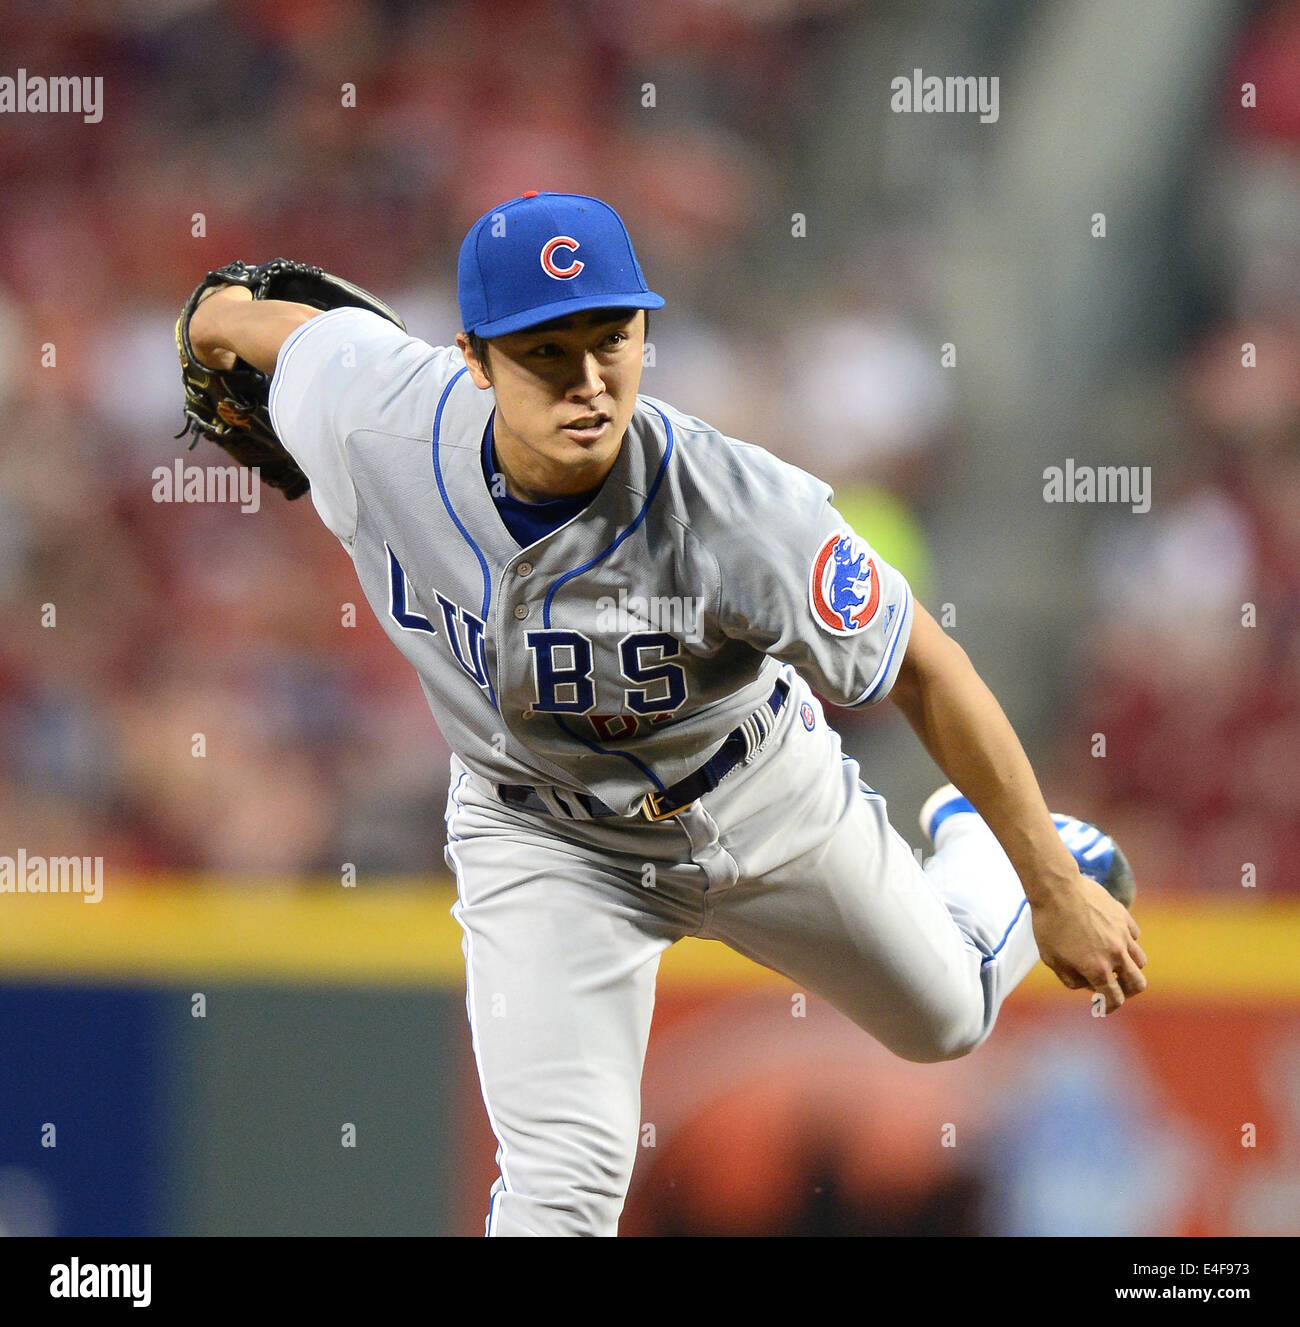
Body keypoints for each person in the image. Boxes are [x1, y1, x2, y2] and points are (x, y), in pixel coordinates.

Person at [185, 191, 1146, 1237]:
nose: (590, 380)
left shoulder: (740, 512)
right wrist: (210, 319)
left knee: (949, 1016)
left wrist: (1050, 884)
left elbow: (927, 669)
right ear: (475, 358)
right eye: (548, 352)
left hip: (761, 801)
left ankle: (1009, 856)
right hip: (540, 834)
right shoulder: (376, 414)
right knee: (561, 1191)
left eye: (613, 340)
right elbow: (251, 322)